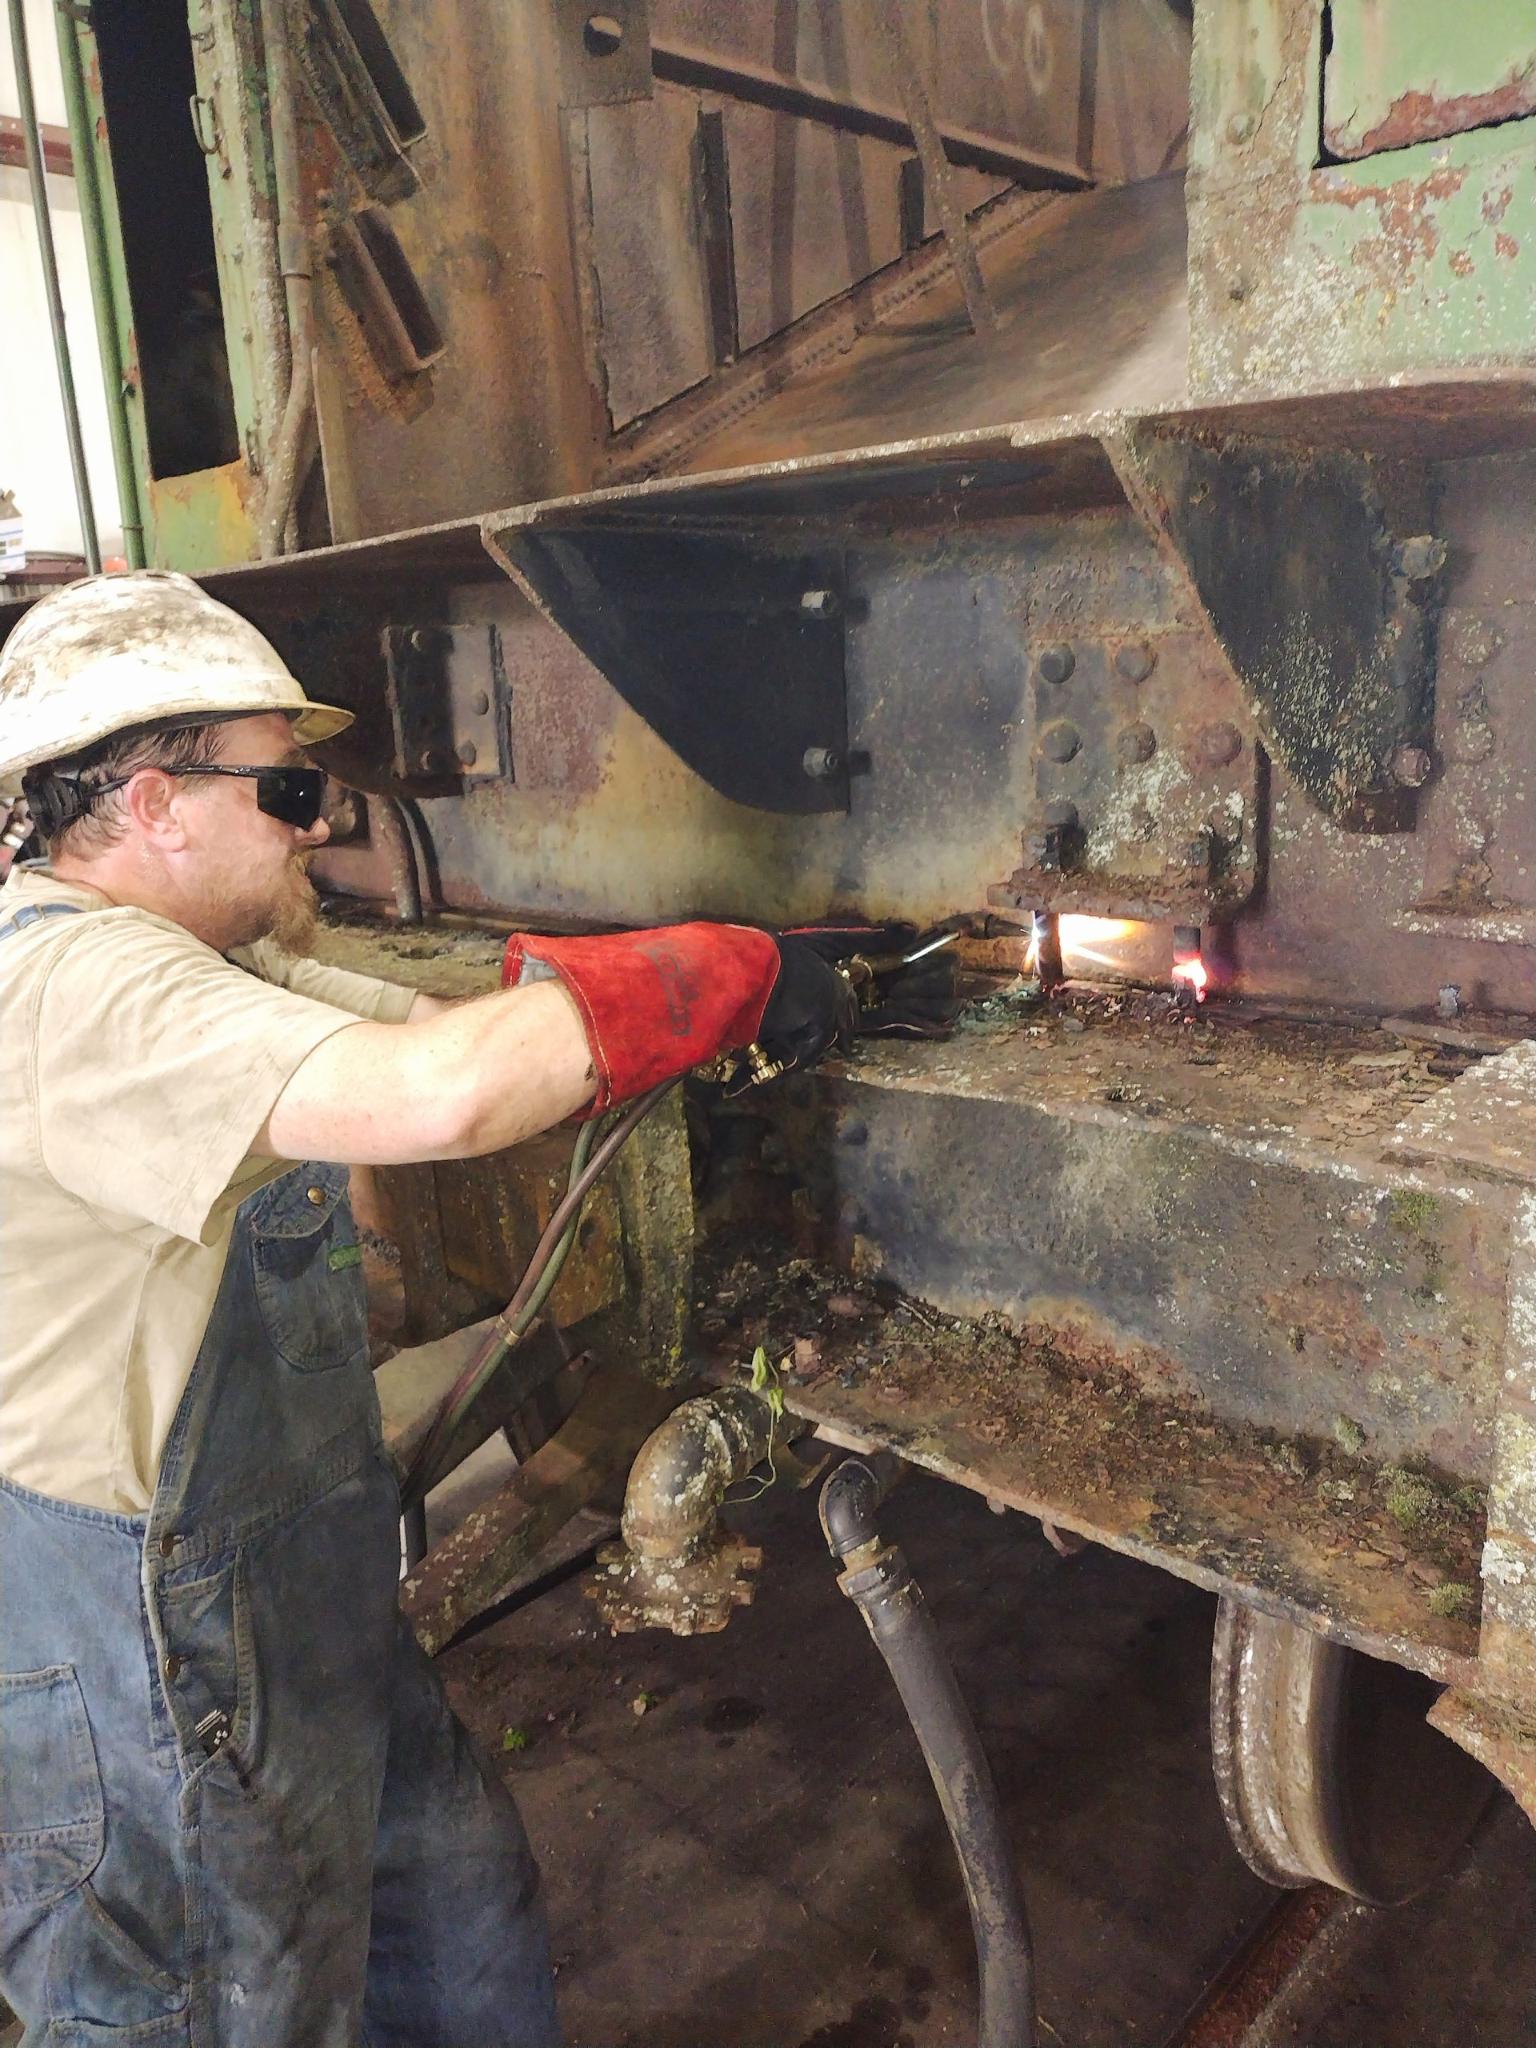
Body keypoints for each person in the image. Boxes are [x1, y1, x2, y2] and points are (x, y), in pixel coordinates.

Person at [0, 570, 869, 2047]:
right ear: (152, 805)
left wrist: (640, 988)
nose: (317, 824)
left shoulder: (199, 962)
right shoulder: (78, 993)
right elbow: (443, 1093)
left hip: (300, 1590)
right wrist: (728, 969)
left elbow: (437, 1032)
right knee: (231, 2003)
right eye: (286, 790)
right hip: (149, 1638)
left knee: (455, 1917)